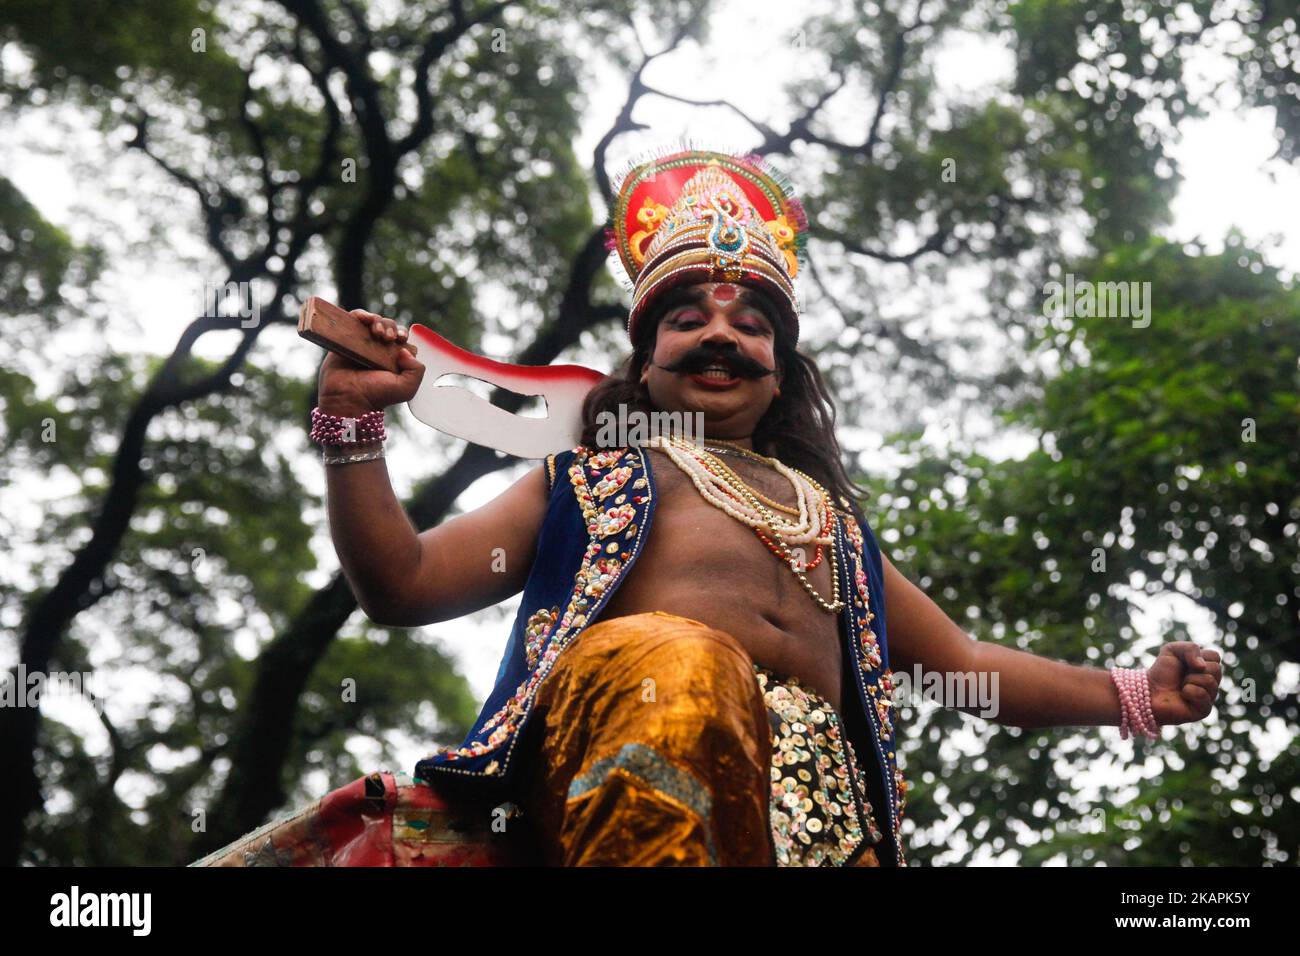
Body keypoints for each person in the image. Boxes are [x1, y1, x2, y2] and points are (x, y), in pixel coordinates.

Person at [307, 146, 1223, 867]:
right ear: (645, 366)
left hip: (822, 822)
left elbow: (964, 666)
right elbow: (402, 584)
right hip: (632, 757)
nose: (721, 334)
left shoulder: (832, 524)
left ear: (778, 373)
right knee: (681, 662)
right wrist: (350, 423)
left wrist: (1134, 694)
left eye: (751, 324)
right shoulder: (591, 479)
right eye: (688, 319)